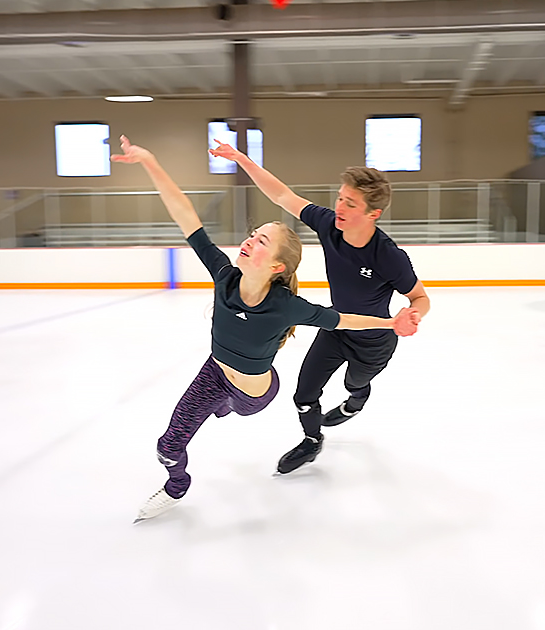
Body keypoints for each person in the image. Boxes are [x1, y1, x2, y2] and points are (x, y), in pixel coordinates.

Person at [110, 136, 419, 521]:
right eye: (252, 236)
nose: (339, 207)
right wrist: (154, 163)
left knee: (346, 384)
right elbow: (192, 213)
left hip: (280, 383)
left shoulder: (296, 301)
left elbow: (357, 313)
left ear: (277, 266)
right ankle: (185, 482)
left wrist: (396, 320)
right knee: (172, 444)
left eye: (261, 242)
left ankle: (354, 398)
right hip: (219, 373)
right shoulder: (226, 275)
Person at [208, 141, 431, 474]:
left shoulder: (388, 256)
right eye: (340, 198)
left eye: (350, 203)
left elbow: (420, 297)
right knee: (303, 395)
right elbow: (282, 196)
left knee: (355, 384)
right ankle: (312, 441)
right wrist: (241, 159)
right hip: (337, 328)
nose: (339, 207)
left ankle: (357, 399)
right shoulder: (329, 225)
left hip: (374, 340)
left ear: (373, 214)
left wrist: (412, 315)